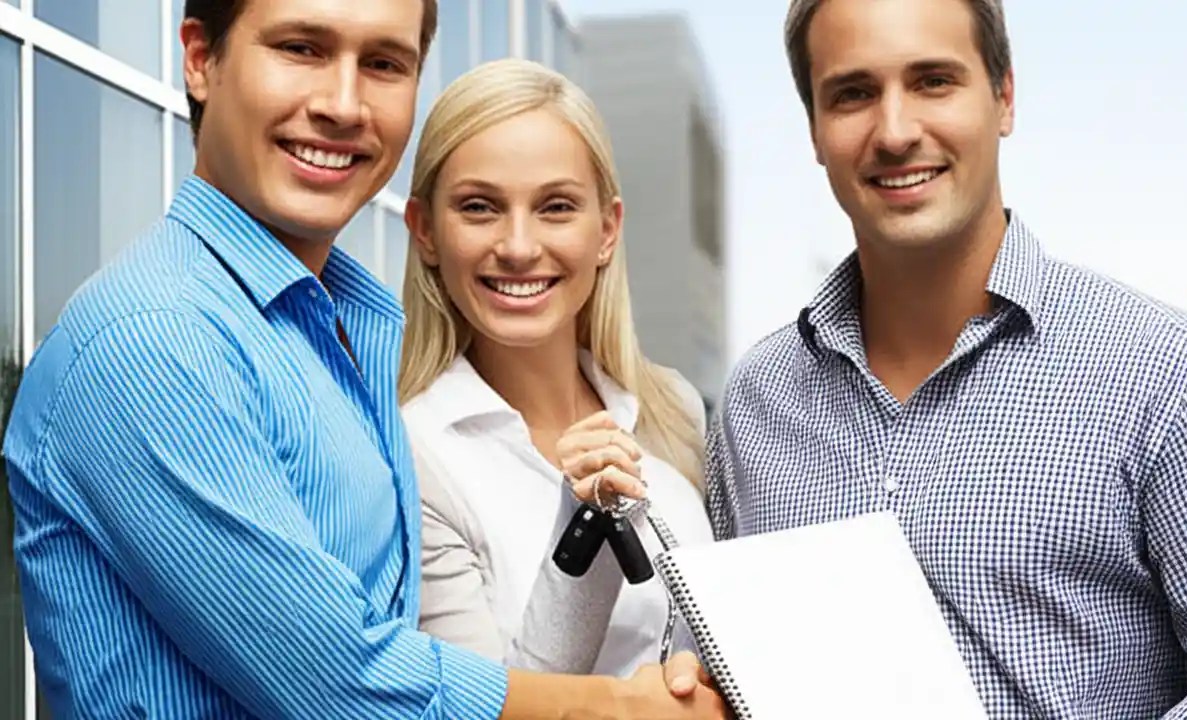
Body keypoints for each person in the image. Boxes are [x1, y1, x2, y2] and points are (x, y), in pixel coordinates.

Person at [0, 0, 722, 718]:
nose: (344, 105)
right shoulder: (153, 343)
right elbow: (342, 682)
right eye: (301, 49)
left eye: (382, 63)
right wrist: (620, 709)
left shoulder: (340, 338)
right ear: (199, 59)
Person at [701, 0, 1187, 717]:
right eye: (853, 94)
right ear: (815, 129)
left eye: (933, 81)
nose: (895, 130)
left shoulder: (1179, 376)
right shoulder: (756, 402)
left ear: (1004, 97)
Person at [396, 58, 715, 678]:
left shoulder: (673, 408)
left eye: (557, 207)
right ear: (426, 231)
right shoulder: (413, 452)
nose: (518, 247)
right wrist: (584, 530)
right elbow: (493, 709)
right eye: (480, 207)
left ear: (607, 230)